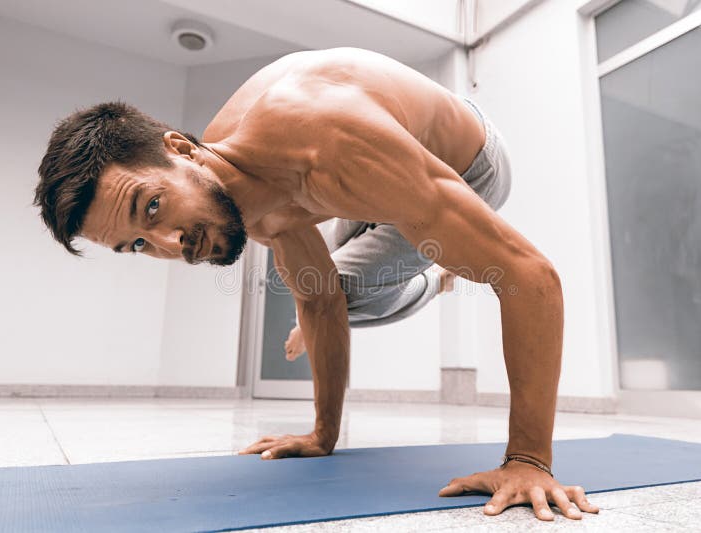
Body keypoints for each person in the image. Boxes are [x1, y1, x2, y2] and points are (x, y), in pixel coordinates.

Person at [34, 46, 597, 521]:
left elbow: (531, 275)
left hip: (470, 162)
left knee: (348, 290)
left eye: (152, 207)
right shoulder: (241, 196)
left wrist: (529, 461)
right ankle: (433, 257)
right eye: (137, 245)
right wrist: (322, 435)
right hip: (371, 169)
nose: (170, 244)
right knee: (319, 296)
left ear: (181, 149)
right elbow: (317, 299)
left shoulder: (324, 145)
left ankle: (444, 275)